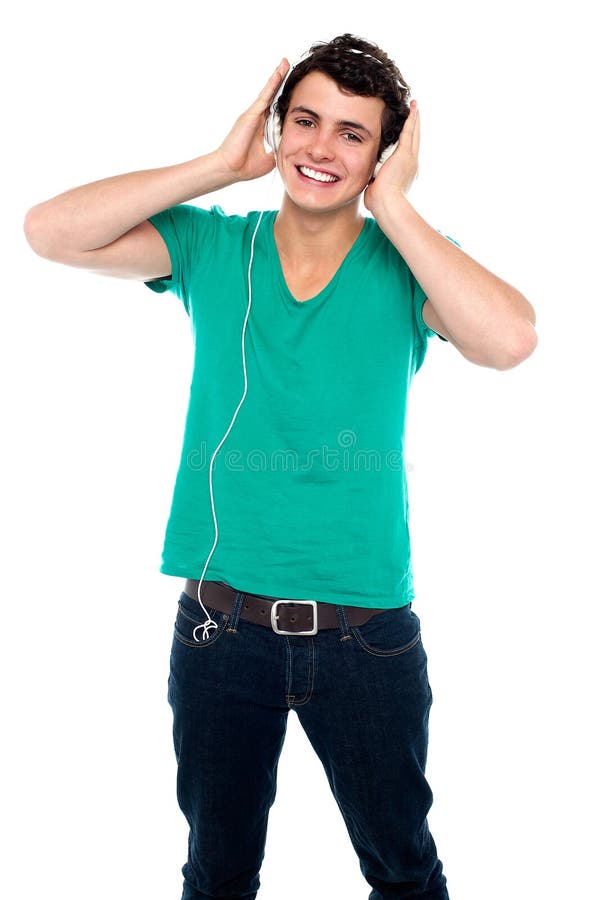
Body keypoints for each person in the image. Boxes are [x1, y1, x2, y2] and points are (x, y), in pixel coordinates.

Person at [24, 33, 537, 900]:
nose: (320, 148)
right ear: (275, 127)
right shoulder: (215, 248)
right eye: (305, 121)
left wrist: (399, 209)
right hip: (218, 631)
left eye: (350, 133)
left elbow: (510, 341)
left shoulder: (407, 261)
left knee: (404, 871)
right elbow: (48, 232)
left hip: (366, 636)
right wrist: (220, 166)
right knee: (216, 878)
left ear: (381, 153)